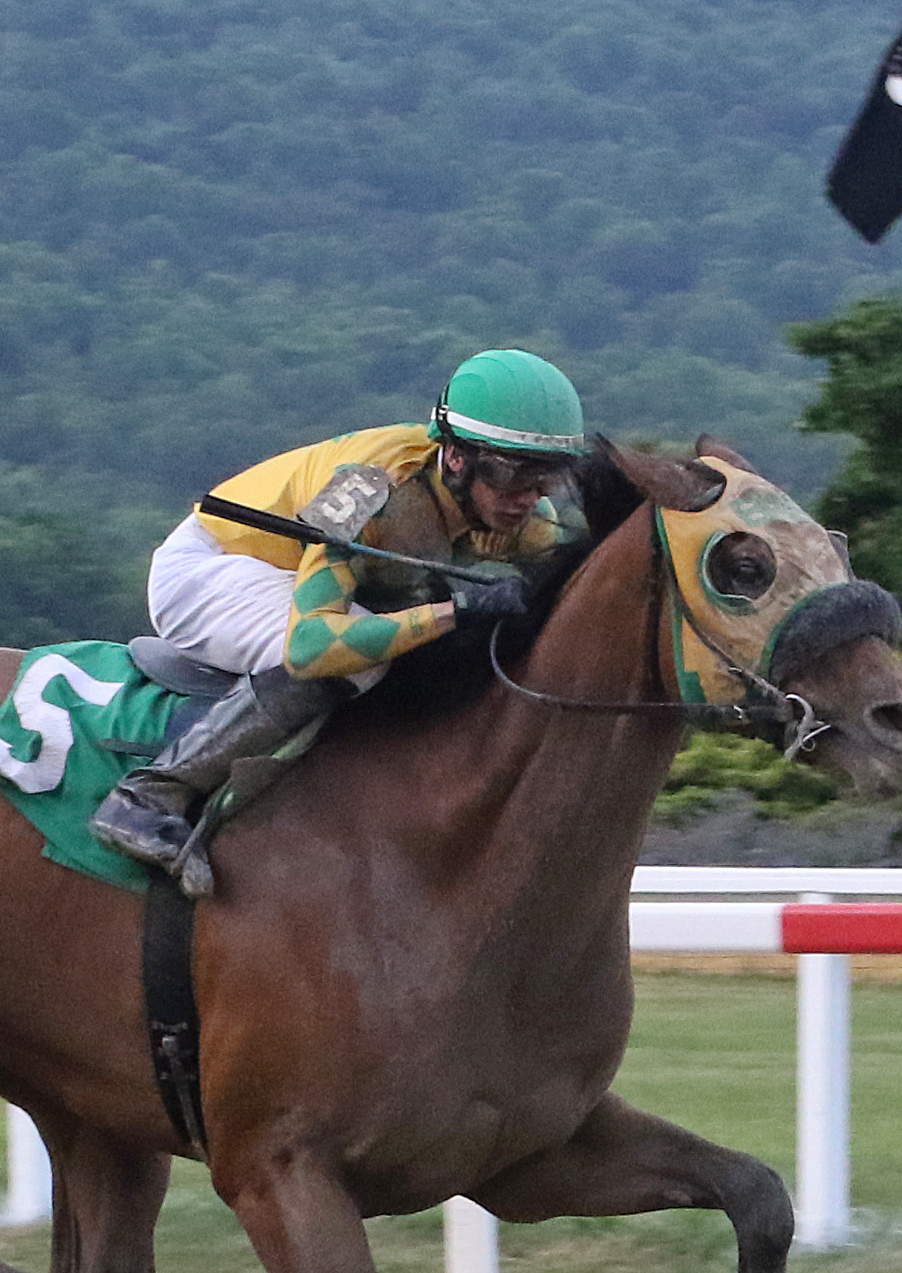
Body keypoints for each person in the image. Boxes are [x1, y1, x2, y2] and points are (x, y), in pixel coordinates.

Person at [89, 348, 587, 890]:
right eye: (513, 475)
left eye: (548, 479)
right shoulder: (367, 490)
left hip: (292, 577)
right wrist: (456, 610)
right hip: (214, 569)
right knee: (361, 663)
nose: (528, 499)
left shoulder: (524, 516)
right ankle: (146, 797)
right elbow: (312, 645)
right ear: (458, 457)